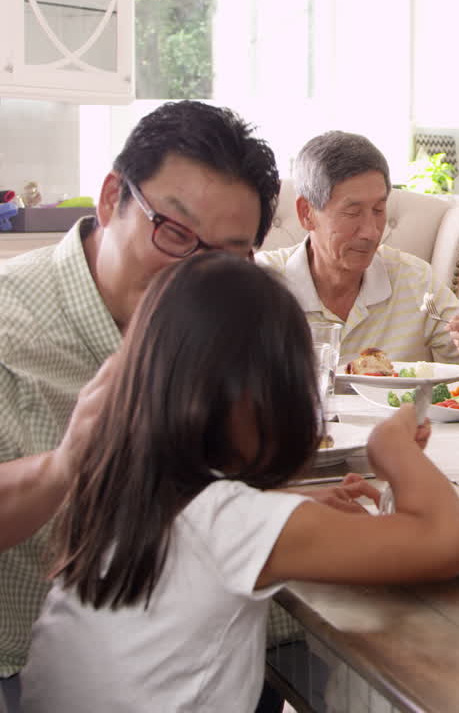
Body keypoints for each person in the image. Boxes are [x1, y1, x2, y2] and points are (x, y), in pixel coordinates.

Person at [0, 101, 373, 710]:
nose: (190, 273)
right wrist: (67, 464)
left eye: (224, 256)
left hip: (228, 643)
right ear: (110, 197)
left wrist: (276, 502)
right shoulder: (11, 324)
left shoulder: (228, 326)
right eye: (173, 231)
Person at [18, 253, 459, 712]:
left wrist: (287, 503)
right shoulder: (228, 522)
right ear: (252, 395)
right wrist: (390, 446)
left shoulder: (116, 488)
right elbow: (448, 540)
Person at [256, 131, 459, 366]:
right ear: (306, 213)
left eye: (378, 210)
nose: (372, 232)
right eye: (352, 212)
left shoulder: (415, 281)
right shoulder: (260, 286)